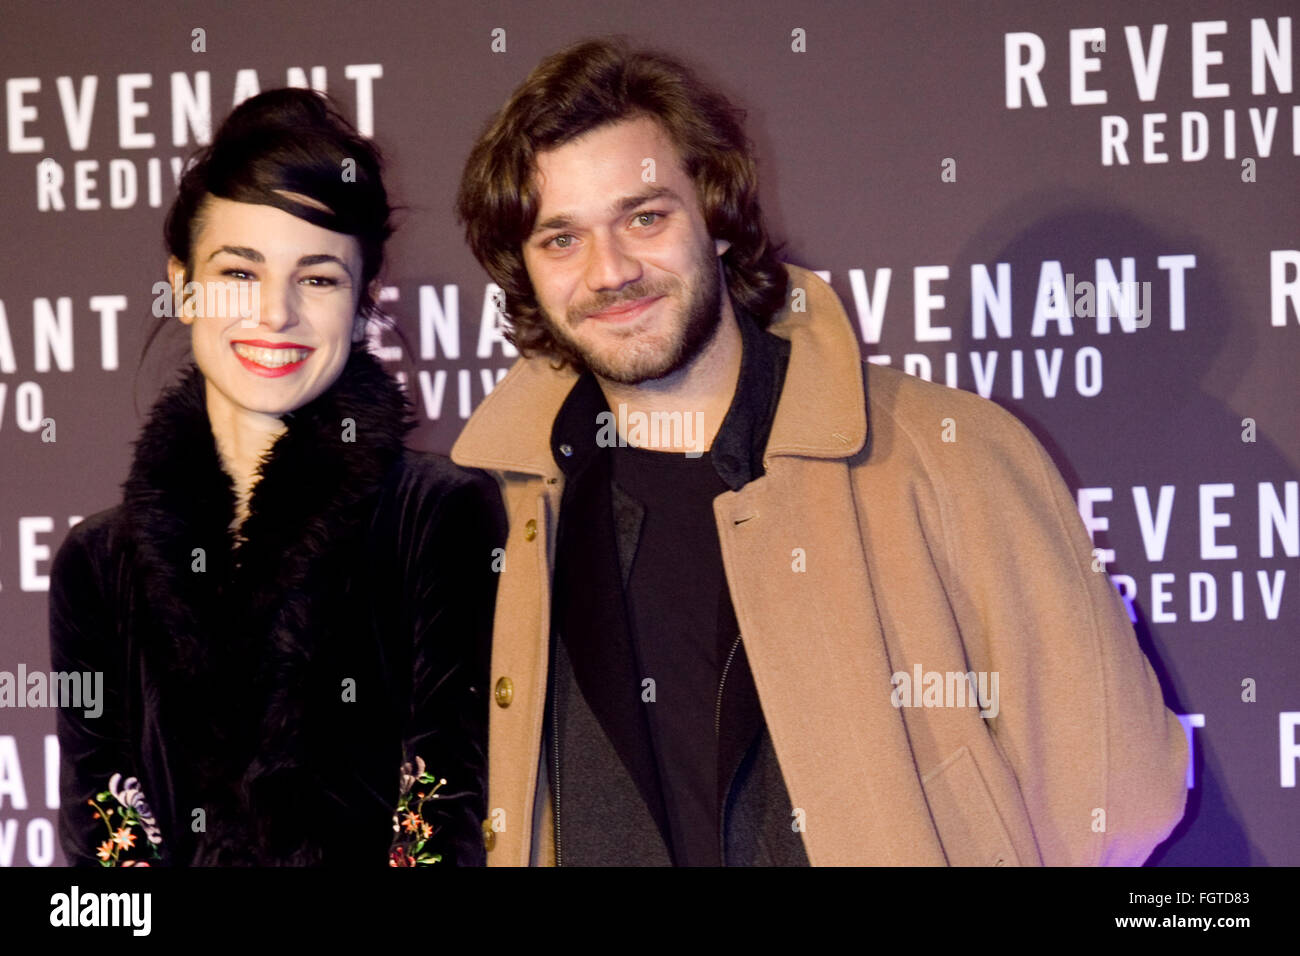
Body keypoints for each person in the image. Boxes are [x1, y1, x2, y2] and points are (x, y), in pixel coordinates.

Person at [451, 37, 1189, 866]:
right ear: (524, 271)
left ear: (718, 219)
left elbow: (1117, 797)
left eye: (644, 217)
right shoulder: (506, 513)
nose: (610, 270)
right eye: (561, 240)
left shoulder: (949, 457)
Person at [50, 88, 501, 867]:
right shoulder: (97, 563)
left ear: (363, 301)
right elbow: (104, 830)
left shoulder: (443, 516)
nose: (275, 314)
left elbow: (448, 803)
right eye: (238, 270)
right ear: (183, 285)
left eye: (318, 278)